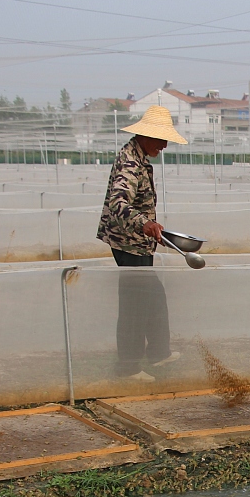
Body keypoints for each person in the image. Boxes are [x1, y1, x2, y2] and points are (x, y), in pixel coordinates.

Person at [97, 105, 188, 381]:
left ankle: (159, 353)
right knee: (134, 304)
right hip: (128, 243)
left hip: (139, 242)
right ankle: (128, 367)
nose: (165, 145)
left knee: (153, 296)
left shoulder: (139, 158)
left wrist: (149, 227)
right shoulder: (129, 163)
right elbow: (118, 203)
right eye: (162, 138)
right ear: (147, 135)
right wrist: (144, 224)